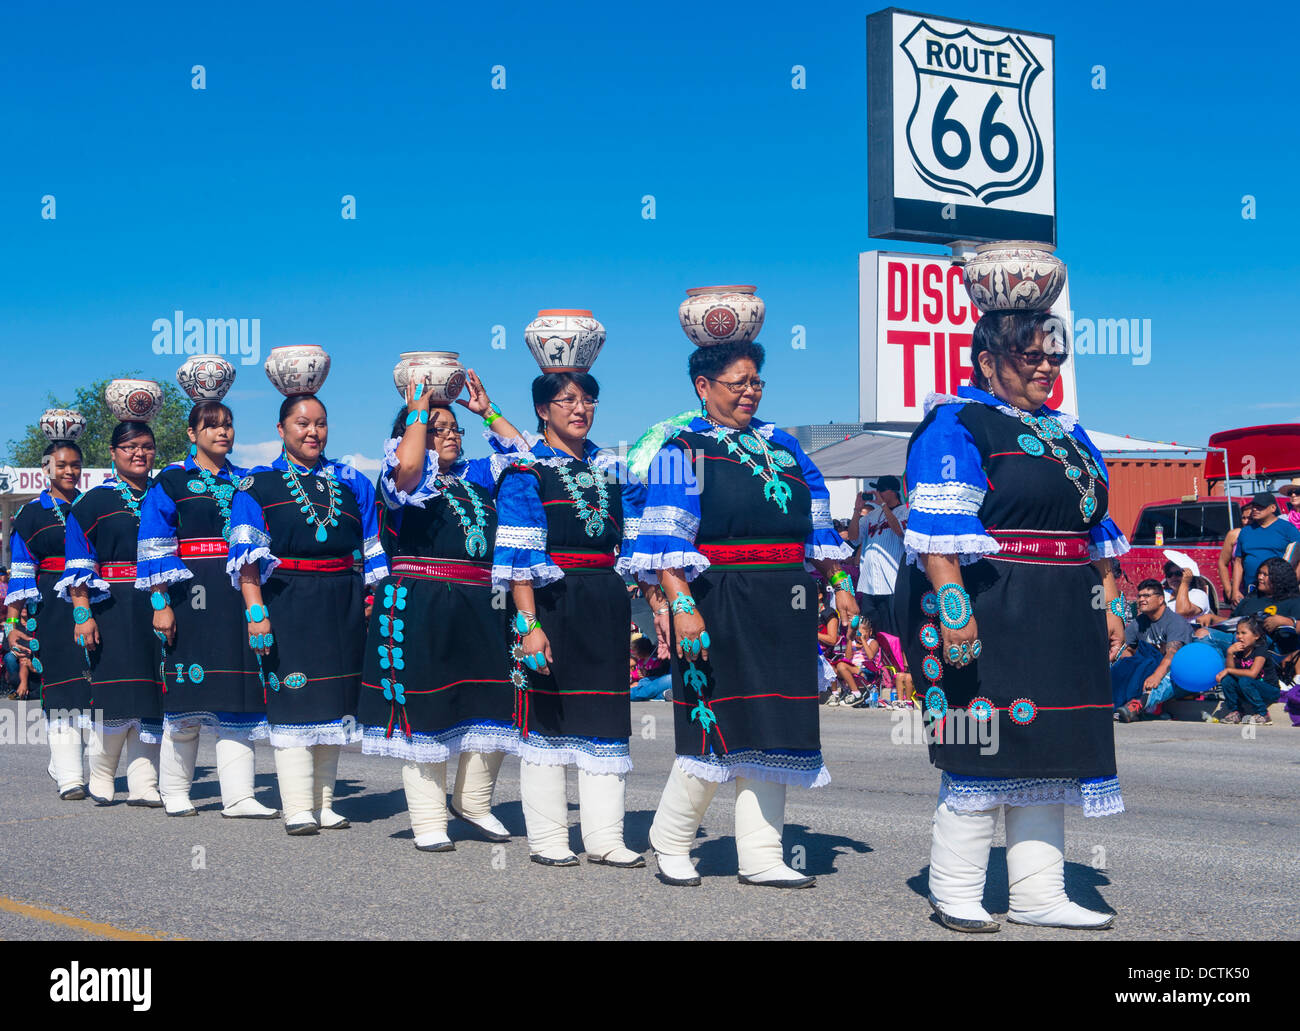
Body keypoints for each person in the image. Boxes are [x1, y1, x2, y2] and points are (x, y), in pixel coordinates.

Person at [899, 289, 1126, 931]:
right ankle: (957, 891)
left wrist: (1109, 597)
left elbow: (1096, 527)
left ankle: (1038, 895)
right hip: (988, 603)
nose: (1045, 367)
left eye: (1052, 355)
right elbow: (938, 533)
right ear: (988, 362)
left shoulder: (1069, 433)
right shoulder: (957, 424)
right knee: (983, 747)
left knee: (1049, 751)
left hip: (1062, 610)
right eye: (1028, 356)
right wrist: (953, 608)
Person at [627, 335, 858, 889]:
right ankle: (674, 839)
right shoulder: (680, 449)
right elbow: (664, 540)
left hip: (785, 600)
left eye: (756, 382)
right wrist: (681, 605)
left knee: (774, 725)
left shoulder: (784, 445)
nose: (750, 392)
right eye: (738, 383)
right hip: (716, 600)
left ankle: (760, 853)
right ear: (704, 387)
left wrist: (841, 582)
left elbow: (818, 526)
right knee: (715, 720)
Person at [356, 372, 528, 852]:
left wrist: (487, 411)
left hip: (483, 604)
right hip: (420, 603)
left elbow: (527, 458)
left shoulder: (476, 478)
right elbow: (411, 466)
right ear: (411, 434)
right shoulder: (400, 480)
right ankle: (428, 819)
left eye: (455, 428)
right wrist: (418, 406)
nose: (451, 434)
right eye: (438, 427)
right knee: (426, 709)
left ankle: (472, 802)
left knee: (493, 703)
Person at [492, 363, 646, 868]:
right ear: (542, 411)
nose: (580, 409)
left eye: (588, 400)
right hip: (551, 600)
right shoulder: (526, 472)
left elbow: (641, 546)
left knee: (604, 715)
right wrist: (529, 625)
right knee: (549, 718)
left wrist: (661, 607)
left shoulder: (615, 471)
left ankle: (604, 838)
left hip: (604, 599)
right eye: (568, 401)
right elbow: (519, 559)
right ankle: (550, 838)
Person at [227, 379, 388, 835]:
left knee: (335, 700)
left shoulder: (353, 479)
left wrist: (372, 601)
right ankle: (297, 806)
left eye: (320, 424)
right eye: (302, 423)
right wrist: (256, 612)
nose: (313, 432)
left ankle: (325, 803)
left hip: (344, 598)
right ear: (281, 429)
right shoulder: (257, 484)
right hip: (287, 599)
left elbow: (373, 547)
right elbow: (247, 558)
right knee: (294, 697)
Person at [135, 393, 278, 819]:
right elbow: (154, 545)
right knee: (187, 694)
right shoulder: (171, 481)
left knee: (238, 693)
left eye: (228, 424)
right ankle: (175, 790)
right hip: (188, 595)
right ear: (192, 433)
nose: (222, 431)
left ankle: (239, 796)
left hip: (239, 592)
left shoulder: (248, 479)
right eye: (212, 424)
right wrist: (161, 603)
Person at [58, 414, 164, 807]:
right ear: (113, 453)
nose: (140, 454)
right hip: (110, 604)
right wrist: (82, 612)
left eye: (147, 446)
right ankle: (102, 774)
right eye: (130, 447)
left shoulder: (163, 494)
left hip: (159, 600)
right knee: (114, 691)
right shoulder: (93, 502)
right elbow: (78, 561)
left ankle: (144, 782)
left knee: (153, 690)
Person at [4, 433, 88, 799]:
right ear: (46, 469)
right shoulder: (29, 514)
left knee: (90, 687)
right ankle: (70, 775)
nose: (69, 471)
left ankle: (70, 759)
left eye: (75, 465)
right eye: (62, 464)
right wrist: (11, 624)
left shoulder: (92, 505)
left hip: (93, 601)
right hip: (50, 607)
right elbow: (22, 572)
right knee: (59, 686)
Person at [1111, 579, 1192, 721]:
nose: (1141, 599)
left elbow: (1172, 655)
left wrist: (1156, 675)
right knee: (1124, 666)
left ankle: (1136, 706)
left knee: (1152, 668)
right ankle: (1113, 704)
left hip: (1177, 672)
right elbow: (1128, 649)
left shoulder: (1175, 622)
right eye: (1139, 596)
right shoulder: (1139, 621)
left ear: (1161, 599)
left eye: (1147, 596)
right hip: (1149, 665)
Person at [1197, 557, 1300, 657]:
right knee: (1202, 634)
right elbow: (1234, 622)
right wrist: (1212, 618)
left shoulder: (1293, 601)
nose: (1260, 577)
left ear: (1279, 578)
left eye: (1265, 575)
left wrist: (1285, 621)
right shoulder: (1252, 598)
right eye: (1259, 573)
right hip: (1237, 640)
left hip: (1268, 648)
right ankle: (1224, 669)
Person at [846, 477, 907, 636]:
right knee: (870, 632)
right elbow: (853, 537)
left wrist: (884, 506)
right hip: (869, 583)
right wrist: (856, 511)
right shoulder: (873, 515)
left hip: (892, 583)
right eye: (877, 489)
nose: (878, 493)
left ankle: (898, 661)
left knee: (893, 633)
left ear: (893, 491)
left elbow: (899, 531)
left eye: (882, 490)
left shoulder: (905, 511)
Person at [1213, 615, 1280, 726]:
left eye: (1244, 633)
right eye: (1238, 633)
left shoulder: (1261, 650)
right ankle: (1236, 711)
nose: (1239, 637)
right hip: (1249, 688)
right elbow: (1232, 671)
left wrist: (1229, 670)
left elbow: (1253, 674)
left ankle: (1263, 714)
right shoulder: (1239, 651)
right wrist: (1230, 653)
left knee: (1245, 680)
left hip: (1269, 690)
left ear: (1256, 636)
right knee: (1227, 680)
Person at [1233, 491, 1300, 599]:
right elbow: (1238, 562)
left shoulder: (1288, 529)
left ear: (1273, 508)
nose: (1255, 509)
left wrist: (1291, 583)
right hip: (1251, 590)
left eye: (1260, 507)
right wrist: (1235, 590)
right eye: (1254, 506)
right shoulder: (1245, 531)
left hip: (1279, 590)